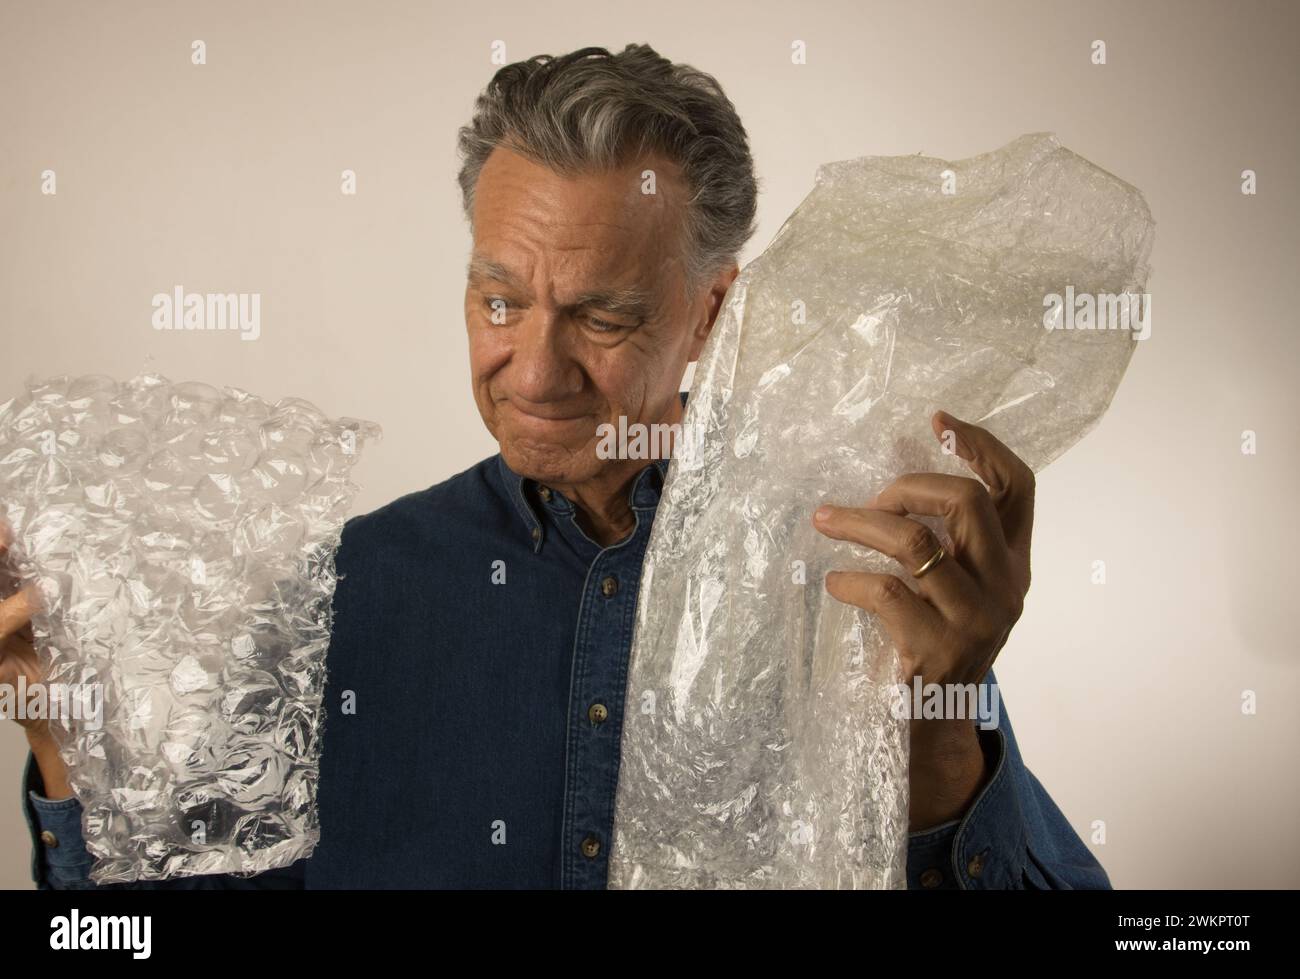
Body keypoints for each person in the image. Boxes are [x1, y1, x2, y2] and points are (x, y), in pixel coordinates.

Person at [2, 43, 1108, 890]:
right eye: (500, 299)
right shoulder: (347, 589)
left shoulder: (851, 591)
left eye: (602, 315)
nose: (532, 371)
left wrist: (938, 723)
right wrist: (62, 725)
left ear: (711, 313)